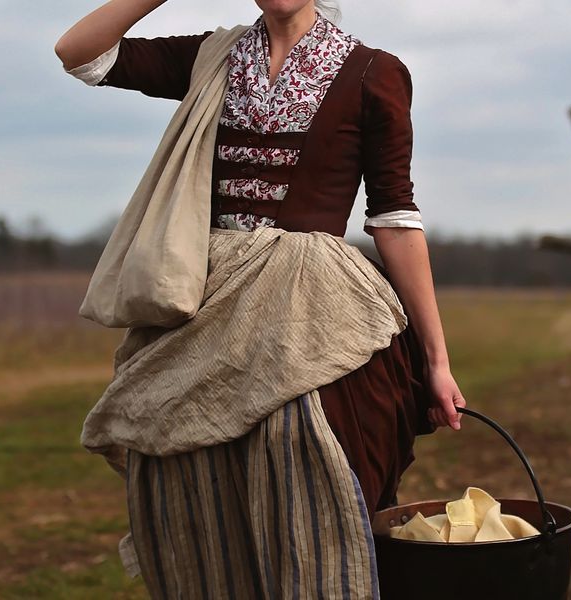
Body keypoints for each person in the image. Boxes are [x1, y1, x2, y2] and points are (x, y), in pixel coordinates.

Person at [56, 1, 466, 597]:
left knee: (307, 464)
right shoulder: (212, 59)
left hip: (313, 305)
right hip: (205, 298)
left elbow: (395, 218)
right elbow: (80, 54)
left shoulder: (372, 72)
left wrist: (435, 360)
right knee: (192, 482)